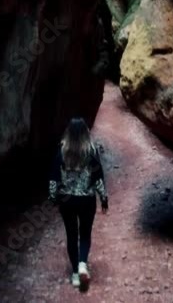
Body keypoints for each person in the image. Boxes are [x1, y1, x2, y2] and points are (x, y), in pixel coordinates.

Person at [48, 118, 109, 289]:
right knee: (85, 234)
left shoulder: (62, 151)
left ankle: (75, 274)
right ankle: (82, 263)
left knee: (71, 235)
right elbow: (98, 178)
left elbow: (54, 178)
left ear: (68, 132)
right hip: (86, 200)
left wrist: (53, 198)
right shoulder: (91, 151)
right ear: (85, 133)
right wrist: (103, 198)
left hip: (67, 200)